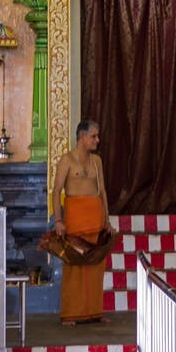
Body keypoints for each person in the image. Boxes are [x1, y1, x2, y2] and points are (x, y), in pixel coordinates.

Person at [51, 119, 112, 326]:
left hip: (95, 219)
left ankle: (94, 312)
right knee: (74, 268)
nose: (97, 140)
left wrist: (107, 220)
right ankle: (71, 314)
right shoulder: (67, 160)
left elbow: (102, 191)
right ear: (82, 137)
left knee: (96, 267)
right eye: (93, 136)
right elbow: (56, 190)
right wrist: (58, 220)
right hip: (75, 221)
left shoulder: (97, 161)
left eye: (97, 136)